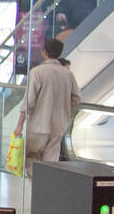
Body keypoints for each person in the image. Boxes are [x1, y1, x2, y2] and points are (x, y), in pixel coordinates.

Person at [14, 37, 80, 177]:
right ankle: (46, 193)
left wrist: (20, 124)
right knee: (51, 163)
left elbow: (29, 101)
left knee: (32, 161)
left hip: (38, 125)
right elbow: (76, 98)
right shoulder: (68, 74)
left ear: (44, 52)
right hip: (59, 126)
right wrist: (63, 107)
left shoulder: (37, 72)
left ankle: (36, 192)